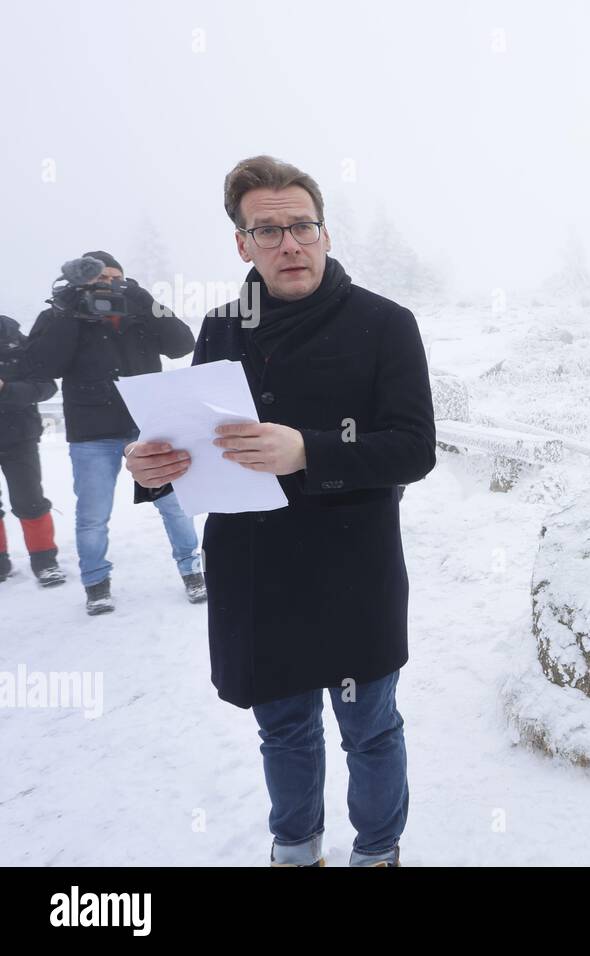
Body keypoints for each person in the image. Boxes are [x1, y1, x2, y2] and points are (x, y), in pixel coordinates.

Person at [124, 155, 437, 867]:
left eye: (302, 225)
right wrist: (154, 470)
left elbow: (414, 449)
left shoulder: (385, 323)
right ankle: (296, 850)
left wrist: (309, 452)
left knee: (370, 728)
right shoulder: (223, 325)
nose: (289, 243)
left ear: (324, 232)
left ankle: (378, 853)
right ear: (243, 244)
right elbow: (200, 440)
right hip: (255, 566)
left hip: (352, 564)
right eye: (268, 231)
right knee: (284, 730)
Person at [21, 251, 202, 613]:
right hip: (92, 432)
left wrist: (144, 300)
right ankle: (96, 584)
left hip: (148, 424)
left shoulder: (139, 308)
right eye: (96, 278)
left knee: (174, 505)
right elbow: (41, 365)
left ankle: (192, 571)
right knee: (92, 514)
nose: (105, 284)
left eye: (113, 277)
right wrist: (68, 309)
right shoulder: (64, 311)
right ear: (80, 280)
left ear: (125, 278)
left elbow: (183, 343)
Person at [0, 314, 63, 586]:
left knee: (30, 501)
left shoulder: (19, 344)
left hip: (19, 438)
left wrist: (6, 389)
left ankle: (45, 561)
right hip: (19, 434)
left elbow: (46, 386)